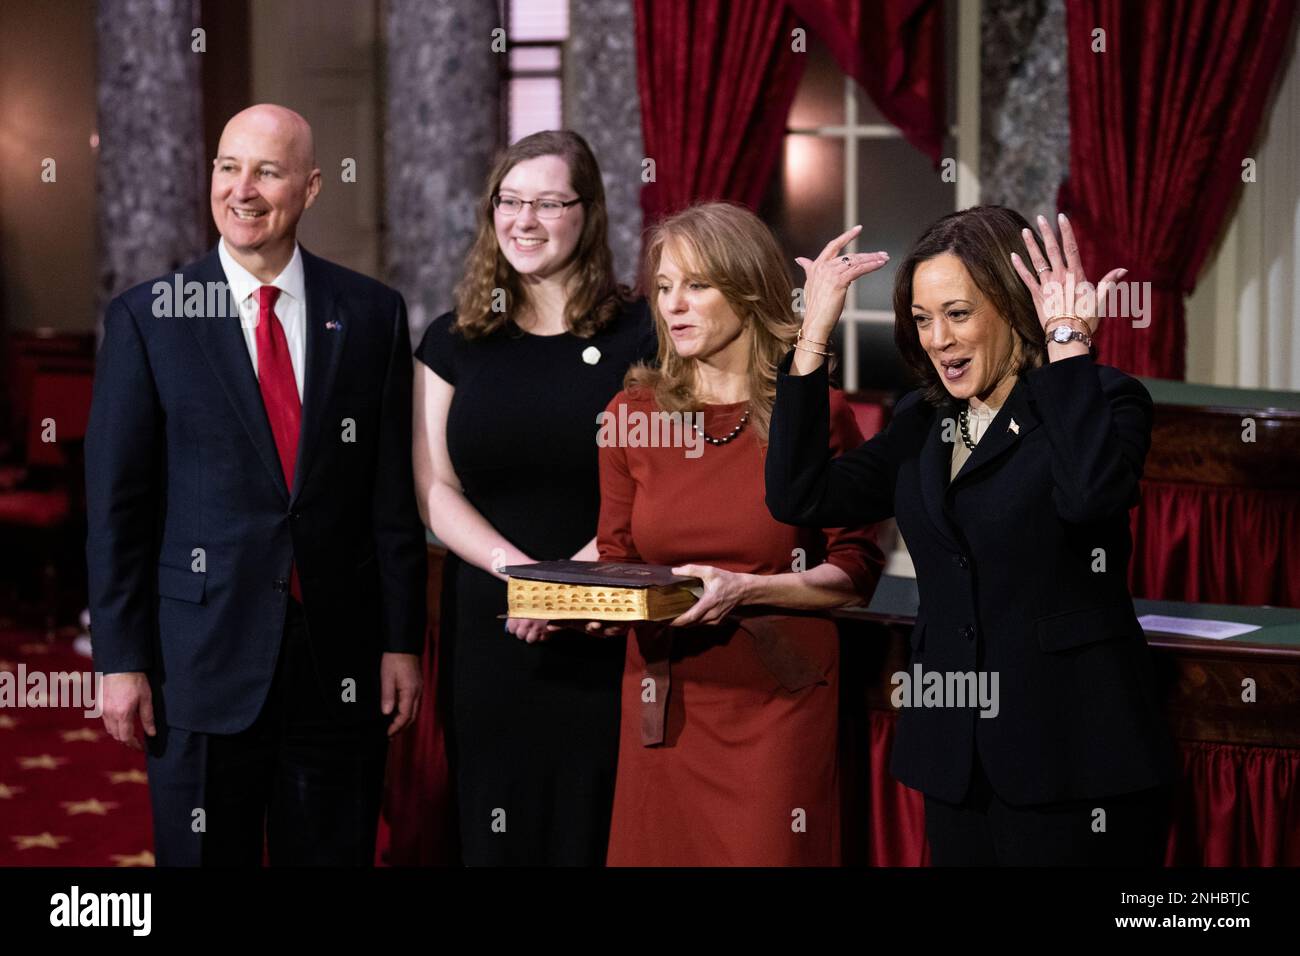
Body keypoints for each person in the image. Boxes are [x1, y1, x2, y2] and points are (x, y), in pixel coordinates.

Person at [765, 205, 1177, 865]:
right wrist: (812, 340)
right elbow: (799, 496)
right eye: (924, 320)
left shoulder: (1102, 400)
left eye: (958, 314)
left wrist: (1068, 341)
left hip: (1072, 762)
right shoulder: (922, 421)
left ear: (1014, 310)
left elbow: (1091, 498)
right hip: (956, 760)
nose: (937, 340)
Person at [85, 104, 427, 866]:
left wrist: (403, 640)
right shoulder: (150, 318)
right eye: (228, 167)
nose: (243, 189)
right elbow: (117, 511)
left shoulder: (370, 315)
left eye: (267, 171)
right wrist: (119, 658)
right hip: (197, 662)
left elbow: (388, 498)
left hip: (337, 660)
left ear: (309, 188)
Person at [594, 202, 886, 866]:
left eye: (697, 285)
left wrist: (747, 590)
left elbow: (857, 570)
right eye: (664, 288)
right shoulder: (630, 414)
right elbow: (617, 559)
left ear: (749, 289)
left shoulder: (815, 411)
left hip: (777, 700)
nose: (675, 305)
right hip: (664, 699)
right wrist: (588, 608)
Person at [412, 130, 657, 866]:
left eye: (549, 203)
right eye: (509, 201)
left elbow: (660, 481)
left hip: (606, 626)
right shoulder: (454, 340)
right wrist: (521, 575)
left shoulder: (643, 336)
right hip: (489, 626)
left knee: (591, 828)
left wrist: (569, 585)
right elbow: (432, 487)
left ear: (589, 213)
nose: (524, 219)